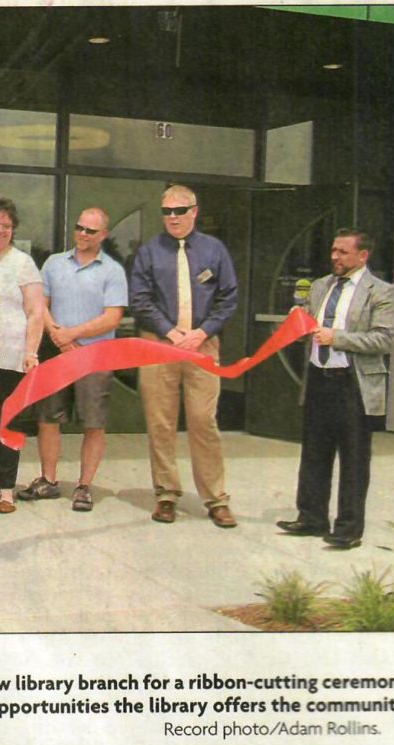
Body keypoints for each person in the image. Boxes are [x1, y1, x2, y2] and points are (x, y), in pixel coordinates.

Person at [277, 229, 394, 549]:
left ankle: (348, 528)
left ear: (363, 256)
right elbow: (309, 329)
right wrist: (297, 324)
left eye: (343, 252)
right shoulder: (319, 286)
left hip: (353, 383)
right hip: (319, 378)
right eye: (333, 250)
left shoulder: (381, 292)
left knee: (354, 458)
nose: (335, 257)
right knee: (314, 452)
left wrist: (337, 338)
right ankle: (311, 517)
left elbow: (384, 340)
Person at [128, 184, 238, 527]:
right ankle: (165, 494)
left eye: (179, 211)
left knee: (204, 421)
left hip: (202, 346)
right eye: (166, 212)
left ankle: (216, 499)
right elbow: (140, 298)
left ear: (194, 211)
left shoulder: (214, 249)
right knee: (160, 422)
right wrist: (170, 332)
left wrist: (202, 333)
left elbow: (228, 297)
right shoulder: (149, 251)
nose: (172, 218)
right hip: (159, 345)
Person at [29, 208, 128, 512]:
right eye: (80, 228)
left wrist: (72, 334)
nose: (83, 234)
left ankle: (84, 486)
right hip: (55, 353)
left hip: (94, 357)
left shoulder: (112, 270)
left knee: (93, 423)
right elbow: (39, 304)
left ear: (103, 235)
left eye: (91, 231)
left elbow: (113, 317)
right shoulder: (54, 263)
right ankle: (48, 480)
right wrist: (58, 334)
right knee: (47, 419)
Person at [0, 198, 44, 514]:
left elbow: (35, 311)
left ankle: (6, 488)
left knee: (7, 421)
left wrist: (31, 351)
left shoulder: (22, 262)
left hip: (12, 355)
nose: (0, 230)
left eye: (6, 226)